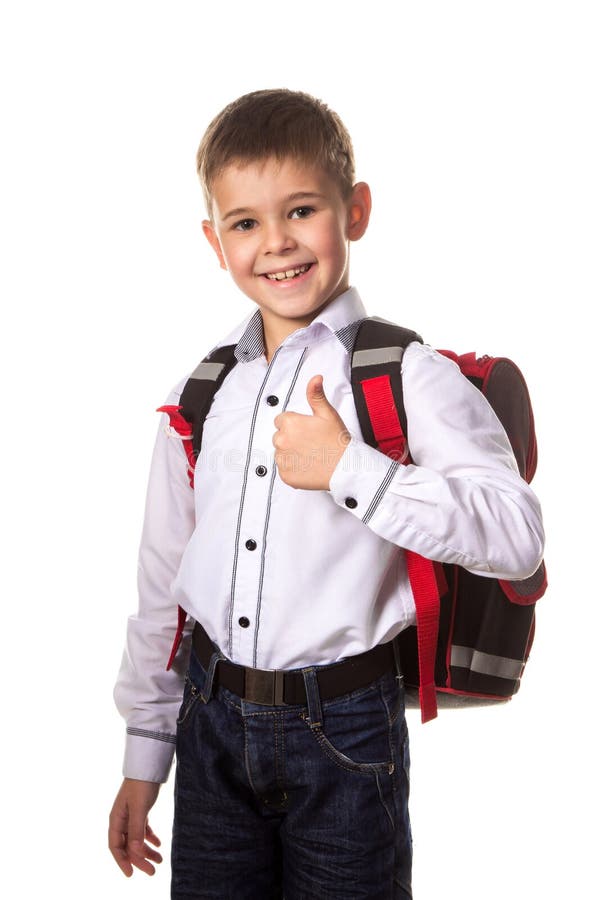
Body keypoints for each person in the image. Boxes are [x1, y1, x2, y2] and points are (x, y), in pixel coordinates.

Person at [109, 88, 544, 899]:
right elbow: (164, 590)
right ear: (215, 240)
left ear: (356, 209)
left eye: (301, 210)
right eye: (245, 223)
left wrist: (351, 469)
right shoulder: (204, 394)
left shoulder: (407, 375)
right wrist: (145, 753)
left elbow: (518, 537)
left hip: (345, 731)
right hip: (207, 729)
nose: (275, 243)